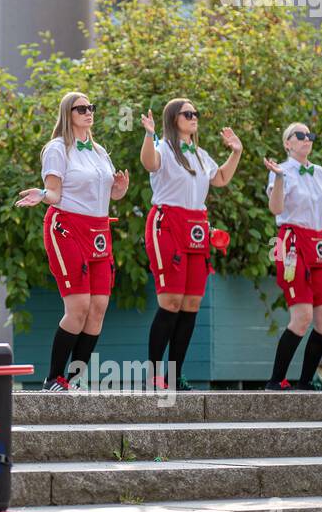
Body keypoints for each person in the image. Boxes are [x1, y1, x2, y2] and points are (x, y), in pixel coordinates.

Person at [16, 92, 129, 391]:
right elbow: (53, 192)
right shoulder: (57, 148)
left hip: (99, 230)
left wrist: (119, 190)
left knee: (98, 308)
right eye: (81, 108)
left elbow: (106, 196)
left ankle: (74, 380)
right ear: (68, 113)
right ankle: (53, 377)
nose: (88, 112)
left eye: (91, 107)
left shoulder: (99, 150)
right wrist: (40, 195)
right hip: (67, 226)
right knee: (78, 307)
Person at [140, 98, 242, 390]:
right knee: (170, 300)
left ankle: (175, 374)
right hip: (167, 223)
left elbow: (220, 178)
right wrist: (149, 134)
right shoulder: (164, 148)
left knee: (192, 302)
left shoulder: (199, 154)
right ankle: (154, 374)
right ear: (174, 119)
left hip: (196, 226)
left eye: (196, 113)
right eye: (188, 113)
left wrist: (236, 152)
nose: (194, 117)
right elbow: (149, 162)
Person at [263, 124, 322, 391]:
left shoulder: (319, 173)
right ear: (287, 144)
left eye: (310, 136)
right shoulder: (283, 170)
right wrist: (279, 178)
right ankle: (275, 380)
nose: (306, 139)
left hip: (318, 245)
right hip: (290, 243)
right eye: (299, 136)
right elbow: (275, 208)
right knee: (301, 316)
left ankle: (305, 382)